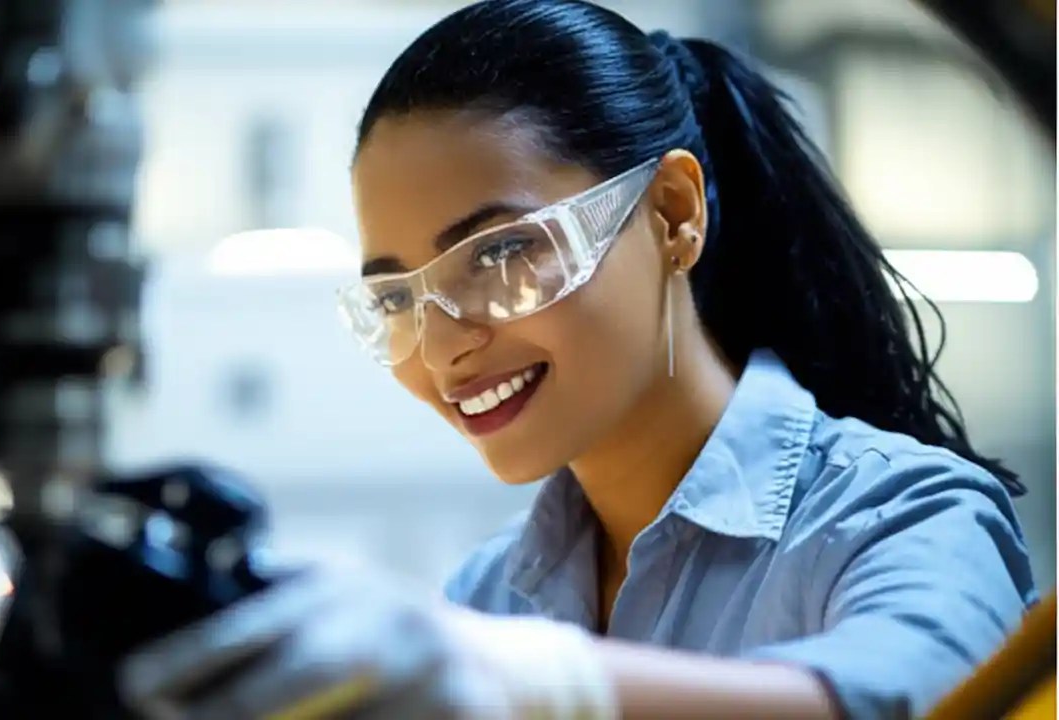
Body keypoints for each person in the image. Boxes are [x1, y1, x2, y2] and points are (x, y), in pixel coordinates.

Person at [119, 1, 1038, 718]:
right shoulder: (487, 600)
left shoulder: (900, 516)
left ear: (673, 215)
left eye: (501, 253)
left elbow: (918, 702)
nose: (443, 346)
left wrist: (528, 690)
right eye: (397, 296)